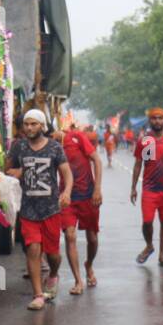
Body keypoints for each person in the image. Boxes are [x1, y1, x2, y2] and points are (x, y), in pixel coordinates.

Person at [6, 108, 72, 309]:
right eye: (26, 124)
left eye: (34, 124)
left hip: (51, 208)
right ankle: (38, 295)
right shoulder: (19, 147)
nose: (29, 127)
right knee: (33, 250)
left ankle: (53, 275)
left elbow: (67, 173)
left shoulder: (54, 148)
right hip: (28, 209)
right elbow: (6, 169)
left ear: (42, 126)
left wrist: (66, 192)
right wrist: (15, 171)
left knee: (53, 254)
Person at [130, 107, 163, 267]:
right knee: (147, 221)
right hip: (150, 189)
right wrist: (133, 187)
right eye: (154, 118)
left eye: (161, 118)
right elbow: (141, 164)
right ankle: (149, 245)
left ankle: (162, 256)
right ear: (150, 121)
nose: (157, 121)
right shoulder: (147, 141)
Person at [59, 121, 103, 294]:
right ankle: (78, 281)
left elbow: (97, 160)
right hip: (67, 198)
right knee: (70, 236)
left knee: (92, 238)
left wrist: (97, 189)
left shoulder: (76, 137)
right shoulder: (50, 146)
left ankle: (89, 265)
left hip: (88, 195)